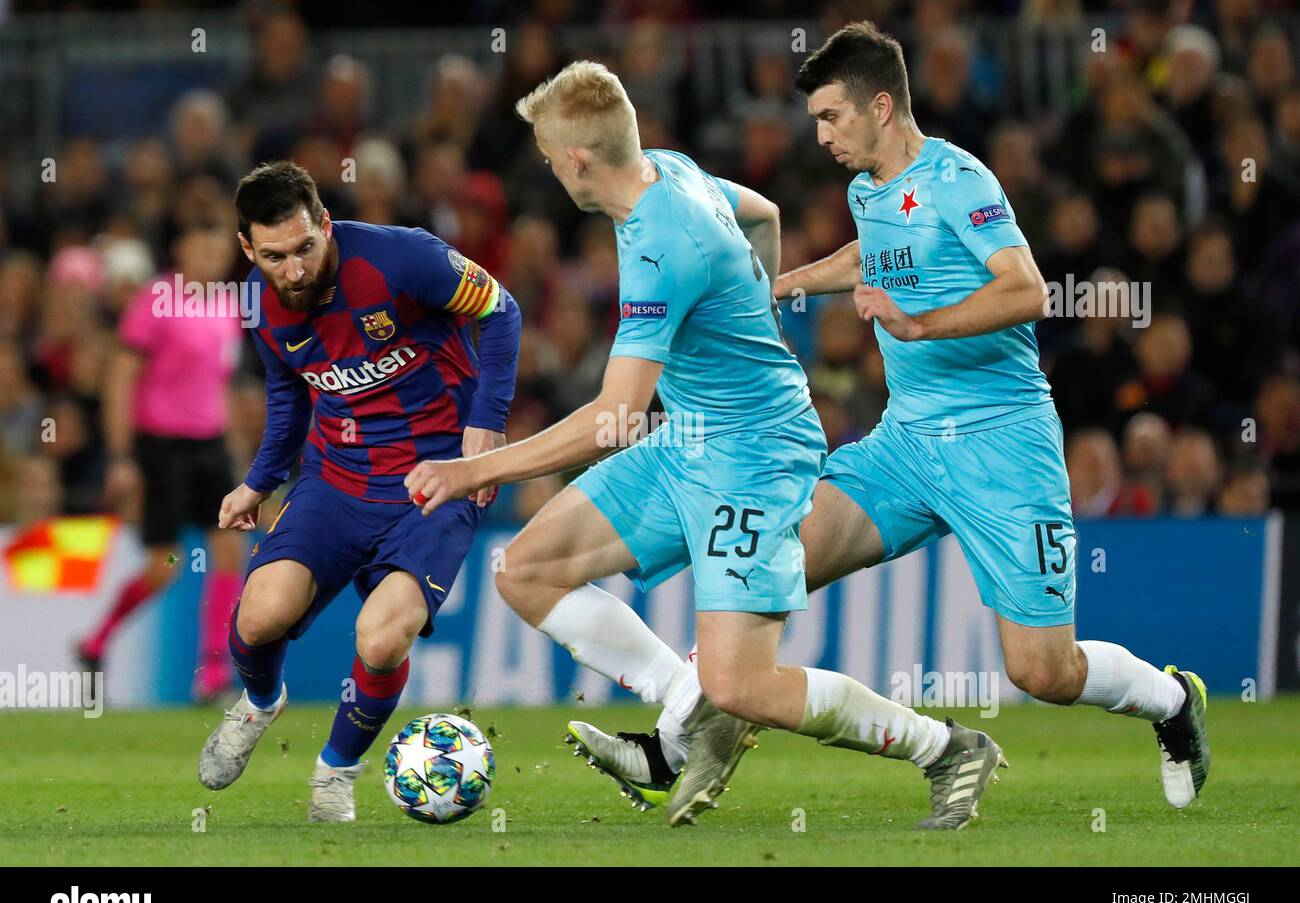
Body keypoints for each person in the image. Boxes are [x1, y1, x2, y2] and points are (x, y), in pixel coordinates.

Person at [583, 22, 1210, 819]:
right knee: (771, 562)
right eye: (815, 120)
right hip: (907, 445)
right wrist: (782, 285)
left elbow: (1027, 291)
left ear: (882, 106)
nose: (822, 136)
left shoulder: (960, 179)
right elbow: (870, 255)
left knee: (1043, 672)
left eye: (833, 117)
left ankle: (1170, 700)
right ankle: (672, 747)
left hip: (1002, 446)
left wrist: (918, 325)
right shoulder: (868, 189)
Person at [406, 60, 1004, 830]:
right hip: (688, 437)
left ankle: (946, 747)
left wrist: (472, 469)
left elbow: (610, 415)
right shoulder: (671, 170)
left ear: (579, 159)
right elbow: (763, 213)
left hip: (754, 454)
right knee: (525, 571)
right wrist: (757, 313)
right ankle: (685, 710)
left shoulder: (661, 248)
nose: (550, 170)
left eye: (551, 157)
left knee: (746, 686)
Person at [196, 162, 520, 822]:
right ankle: (260, 704)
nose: (292, 270)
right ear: (247, 248)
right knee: (259, 616)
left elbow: (501, 309)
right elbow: (289, 395)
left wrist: (485, 427)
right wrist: (259, 481)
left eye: (305, 248)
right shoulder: (258, 301)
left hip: (435, 481)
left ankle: (336, 772)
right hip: (337, 479)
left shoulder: (405, 259)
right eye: (274, 256)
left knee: (381, 637)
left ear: (324, 223)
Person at [78, 222, 245, 703]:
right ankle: (97, 639)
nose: (211, 255)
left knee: (231, 548)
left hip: (210, 444)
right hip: (162, 445)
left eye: (219, 246)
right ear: (182, 247)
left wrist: (237, 453)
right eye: (202, 243)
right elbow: (121, 376)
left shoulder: (227, 306)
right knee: (164, 564)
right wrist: (121, 456)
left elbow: (222, 387)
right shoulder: (157, 299)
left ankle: (213, 673)